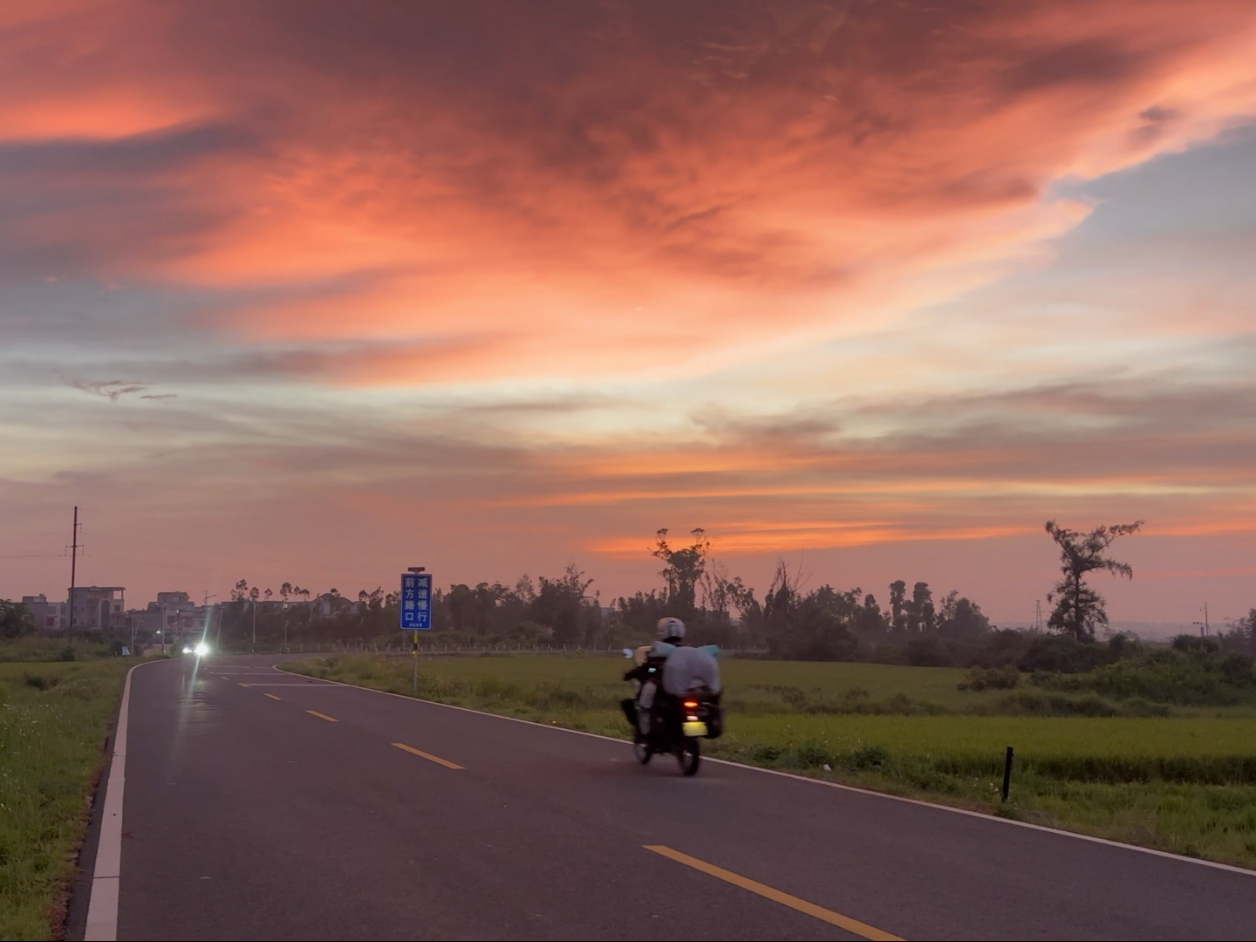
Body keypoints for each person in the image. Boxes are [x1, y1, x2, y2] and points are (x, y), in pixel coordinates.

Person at [623, 617, 686, 736]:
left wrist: (631, 674)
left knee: (645, 703)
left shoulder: (658, 650)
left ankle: (646, 731)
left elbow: (645, 667)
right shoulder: (685, 650)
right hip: (682, 689)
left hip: (665, 690)